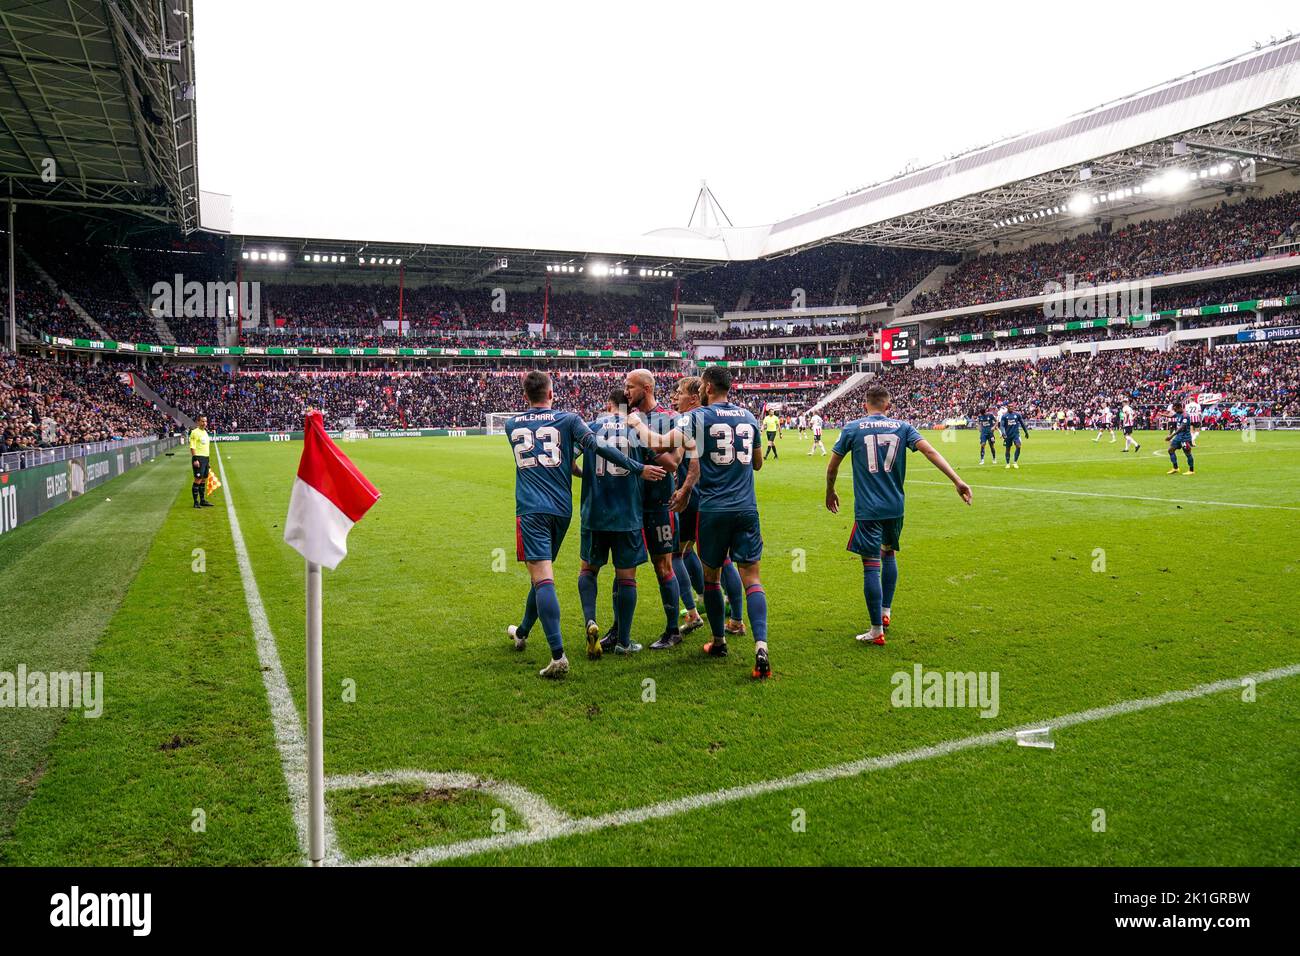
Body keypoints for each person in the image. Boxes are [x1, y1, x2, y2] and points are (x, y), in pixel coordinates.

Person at [504, 370, 665, 678]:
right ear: (552, 394)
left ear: (525, 397)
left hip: (534, 510)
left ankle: (558, 655)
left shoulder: (512, 424)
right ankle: (522, 631)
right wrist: (637, 468)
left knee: (543, 578)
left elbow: (566, 456)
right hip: (563, 511)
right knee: (542, 575)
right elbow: (598, 448)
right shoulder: (569, 420)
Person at [826, 383, 971, 645]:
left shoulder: (852, 428)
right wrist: (957, 480)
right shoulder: (903, 427)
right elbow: (930, 451)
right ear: (888, 406)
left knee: (871, 565)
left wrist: (830, 490)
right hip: (895, 507)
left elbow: (832, 466)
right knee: (889, 552)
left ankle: (875, 631)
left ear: (864, 405)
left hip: (868, 509)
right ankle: (885, 612)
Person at [662, 366, 772, 678]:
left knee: (711, 578)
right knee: (752, 578)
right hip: (746, 508)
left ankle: (719, 641)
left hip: (713, 509)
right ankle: (760, 645)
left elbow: (662, 442)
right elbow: (758, 464)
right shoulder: (749, 417)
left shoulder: (698, 417)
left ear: (707, 387)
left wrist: (630, 423)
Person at [617, 368, 687, 651]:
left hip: (659, 505)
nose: (625, 392)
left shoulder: (671, 419)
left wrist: (642, 440)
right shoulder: (623, 418)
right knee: (624, 569)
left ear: (646, 388)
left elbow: (672, 464)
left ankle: (673, 630)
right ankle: (618, 631)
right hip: (630, 506)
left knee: (663, 566)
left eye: (629, 386)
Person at [577, 389, 649, 657]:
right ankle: (624, 642)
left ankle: (591, 621)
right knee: (626, 577)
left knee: (589, 570)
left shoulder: (592, 426)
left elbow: (570, 461)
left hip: (594, 511)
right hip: (627, 513)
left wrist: (587, 475)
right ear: (627, 406)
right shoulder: (638, 429)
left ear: (608, 405)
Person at [189, 414, 213, 508]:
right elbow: (192, 446)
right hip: (198, 458)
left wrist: (208, 461)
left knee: (203, 480)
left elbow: (205, 447)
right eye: (202, 421)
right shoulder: (194, 432)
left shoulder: (205, 432)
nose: (204, 423)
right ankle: (195, 502)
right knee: (198, 480)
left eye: (205, 421)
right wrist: (195, 459)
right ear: (198, 422)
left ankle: (202, 500)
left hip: (205, 458)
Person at [1166, 402, 1196, 476]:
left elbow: (1182, 427)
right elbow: (1171, 416)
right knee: (1170, 450)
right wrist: (1163, 415)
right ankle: (1175, 468)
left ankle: (1191, 470)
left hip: (1185, 438)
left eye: (1174, 408)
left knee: (1187, 453)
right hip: (1178, 437)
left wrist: (1171, 436)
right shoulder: (1178, 413)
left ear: (1179, 407)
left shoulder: (1185, 416)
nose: (1173, 409)